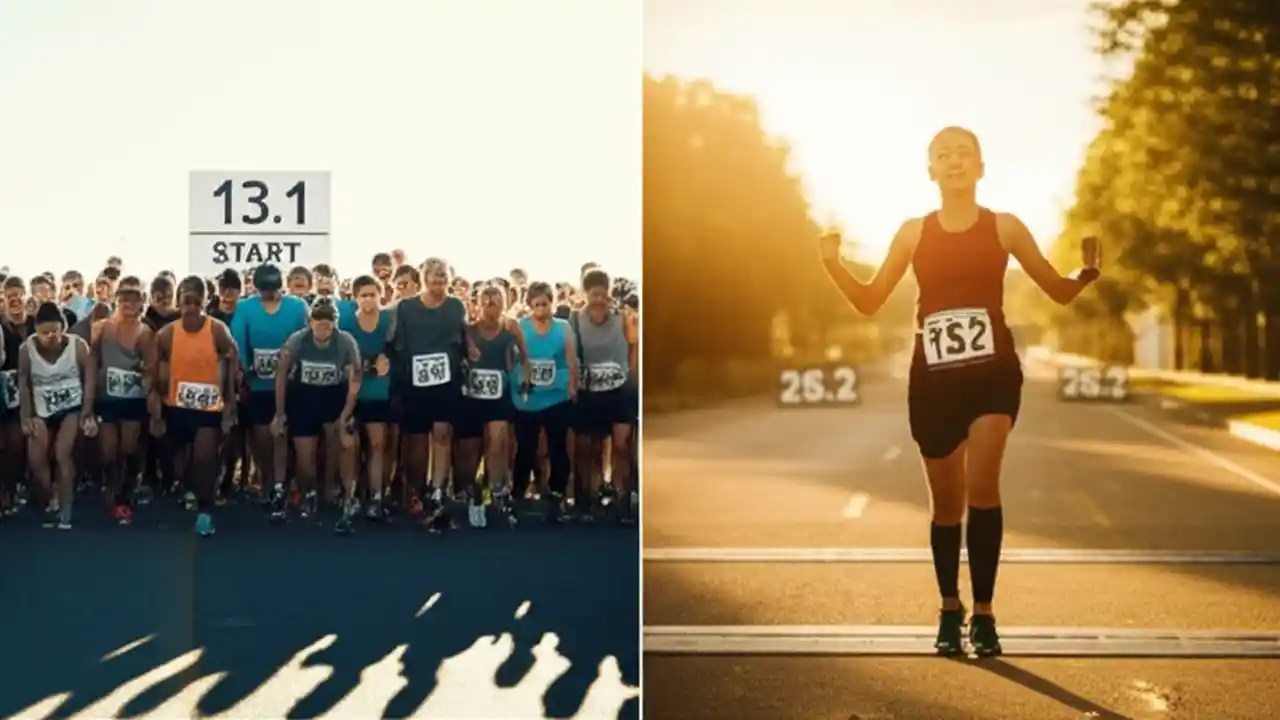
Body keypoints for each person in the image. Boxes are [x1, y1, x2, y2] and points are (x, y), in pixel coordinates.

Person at [817, 126, 1101, 657]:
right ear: (931, 171)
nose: (954, 162)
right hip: (934, 378)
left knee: (982, 486)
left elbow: (1057, 291)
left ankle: (986, 614)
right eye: (943, 156)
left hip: (992, 373)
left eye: (964, 154)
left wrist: (1085, 273)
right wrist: (833, 265)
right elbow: (870, 301)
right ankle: (951, 607)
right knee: (945, 505)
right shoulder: (911, 234)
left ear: (980, 167)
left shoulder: (1005, 227)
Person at [387, 257, 479, 531]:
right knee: (416, 440)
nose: (439, 285)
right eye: (434, 279)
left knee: (442, 434)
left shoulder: (455, 305)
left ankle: (438, 490)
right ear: (423, 279)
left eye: (443, 280)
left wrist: (470, 349)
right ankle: (418, 490)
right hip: (414, 380)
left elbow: (463, 335)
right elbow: (394, 341)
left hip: (446, 378)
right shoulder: (406, 307)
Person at [151, 276, 238, 537]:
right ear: (178, 302)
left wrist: (230, 403)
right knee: (177, 465)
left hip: (208, 408)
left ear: (204, 301)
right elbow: (154, 372)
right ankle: (186, 488)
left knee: (204, 459)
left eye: (195, 299)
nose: (189, 304)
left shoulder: (217, 330)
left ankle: (205, 511)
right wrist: (155, 407)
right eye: (184, 299)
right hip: (176, 407)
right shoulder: (166, 334)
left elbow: (232, 361)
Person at [272, 298, 362, 532]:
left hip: (334, 395)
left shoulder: (345, 342)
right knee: (305, 453)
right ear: (310, 321)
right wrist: (280, 413)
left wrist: (345, 415)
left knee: (341, 443)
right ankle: (308, 489)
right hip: (303, 396)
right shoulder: (297, 340)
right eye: (318, 321)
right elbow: (281, 374)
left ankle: (337, 491)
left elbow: (355, 379)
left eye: (328, 321)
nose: (323, 326)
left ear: (335, 323)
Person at [230, 264, 309, 521]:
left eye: (274, 290)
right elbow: (237, 343)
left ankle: (285, 484)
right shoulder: (245, 308)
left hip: (292, 384)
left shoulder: (297, 307)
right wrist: (244, 368)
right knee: (263, 437)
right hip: (259, 383)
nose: (270, 296)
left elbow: (308, 340)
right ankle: (267, 482)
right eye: (265, 291)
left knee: (285, 436)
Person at [18, 302, 96, 530]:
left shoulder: (78, 346)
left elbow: (89, 380)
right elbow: (23, 384)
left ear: (63, 327)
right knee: (36, 458)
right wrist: (26, 416)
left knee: (62, 453)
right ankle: (51, 496)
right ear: (36, 330)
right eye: (45, 332)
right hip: (42, 409)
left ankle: (66, 506)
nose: (51, 336)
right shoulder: (26, 350)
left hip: (71, 407)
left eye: (55, 330)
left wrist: (87, 412)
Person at [570, 268, 639, 524]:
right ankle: (591, 495)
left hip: (619, 390)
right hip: (589, 391)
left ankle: (622, 498)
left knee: (621, 445)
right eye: (594, 294)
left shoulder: (623, 319)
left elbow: (633, 349)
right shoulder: (575, 321)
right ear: (586, 294)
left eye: (603, 294)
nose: (599, 300)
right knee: (591, 447)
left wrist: (633, 382)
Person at [511, 281, 577, 524]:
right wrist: (519, 379)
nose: (541, 309)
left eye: (545, 303)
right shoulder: (520, 327)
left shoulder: (563, 328)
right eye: (536, 304)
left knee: (557, 447)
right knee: (526, 449)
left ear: (552, 303)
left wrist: (573, 384)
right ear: (529, 306)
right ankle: (518, 493)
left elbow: (571, 358)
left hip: (557, 396)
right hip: (528, 398)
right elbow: (512, 357)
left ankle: (556, 495)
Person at [87, 284, 154, 524]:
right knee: (107, 450)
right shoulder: (101, 329)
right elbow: (92, 364)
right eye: (124, 300)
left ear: (142, 304)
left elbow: (151, 366)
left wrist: (147, 376)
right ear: (117, 301)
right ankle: (113, 490)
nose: (129, 305)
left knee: (128, 447)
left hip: (133, 399)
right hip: (106, 399)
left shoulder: (145, 332)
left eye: (134, 300)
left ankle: (126, 491)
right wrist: (89, 403)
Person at [340, 275, 395, 522]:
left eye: (373, 294)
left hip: (380, 395)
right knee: (350, 447)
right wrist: (369, 365)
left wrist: (386, 361)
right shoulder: (347, 324)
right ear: (355, 298)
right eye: (363, 294)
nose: (368, 299)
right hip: (353, 395)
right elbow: (344, 361)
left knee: (377, 445)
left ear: (380, 296)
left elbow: (395, 351)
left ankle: (376, 497)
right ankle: (350, 496)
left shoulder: (388, 321)